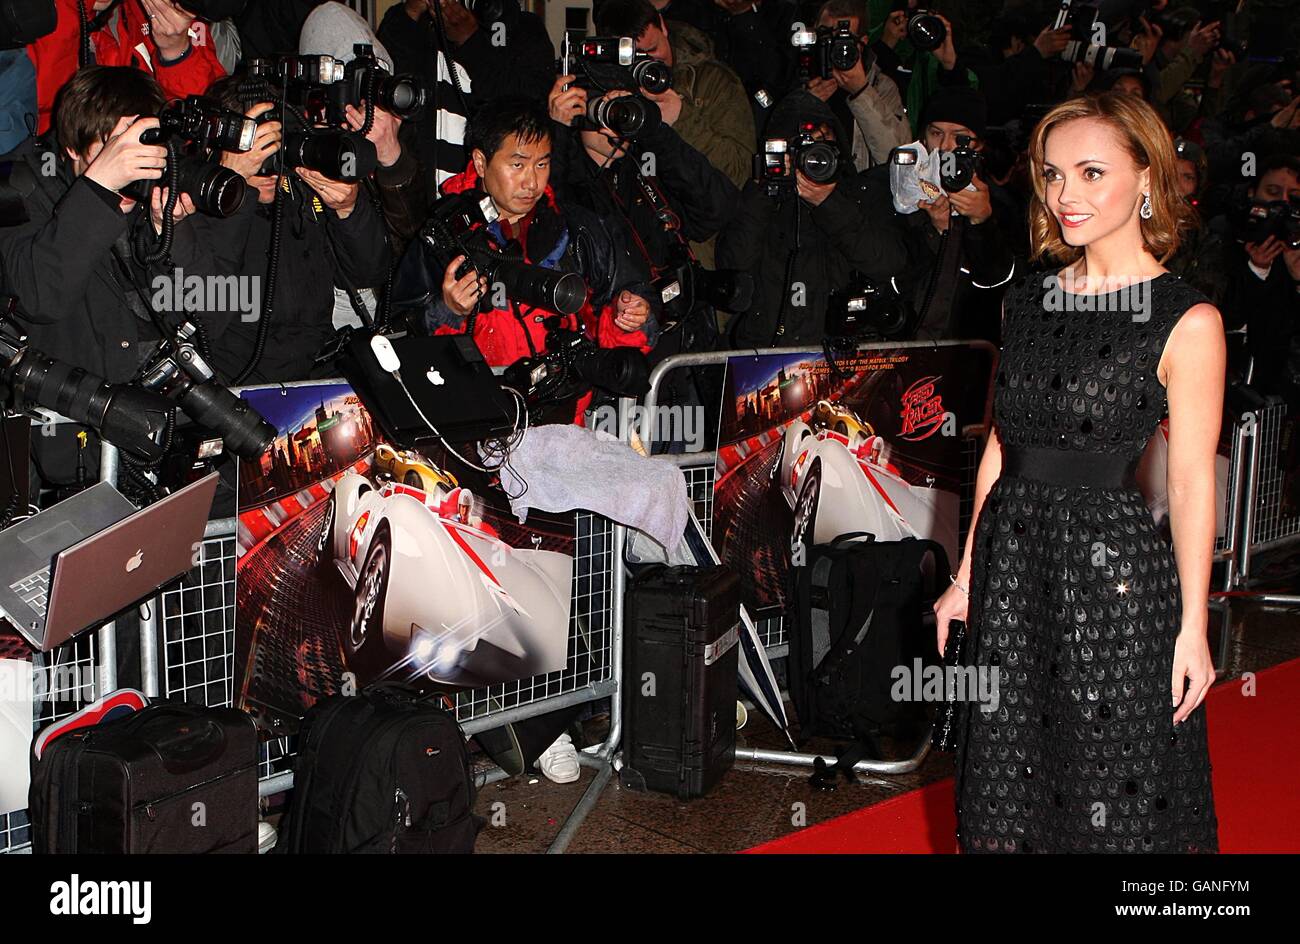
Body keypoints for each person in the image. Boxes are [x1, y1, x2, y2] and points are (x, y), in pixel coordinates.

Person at [933, 91, 1222, 854]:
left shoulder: (1186, 319)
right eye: (1053, 175)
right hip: (1014, 572)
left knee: (1110, 786)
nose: (1067, 196)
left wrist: (1194, 626)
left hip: (1114, 581)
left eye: (1092, 173)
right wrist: (966, 577)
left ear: (1148, 178)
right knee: (1004, 788)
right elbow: (1003, 441)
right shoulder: (1024, 303)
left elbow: (1192, 482)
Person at [0, 66, 238, 487]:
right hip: (79, 458)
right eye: (116, 151)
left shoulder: (157, 189)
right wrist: (100, 188)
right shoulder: (21, 190)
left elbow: (217, 317)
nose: (132, 168)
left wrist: (176, 234)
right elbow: (40, 296)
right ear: (74, 149)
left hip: (172, 440)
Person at [392, 96, 658, 420]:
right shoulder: (443, 235)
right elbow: (395, 342)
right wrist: (447, 311)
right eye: (517, 165)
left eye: (541, 164)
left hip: (566, 423)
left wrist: (628, 316)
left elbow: (632, 318)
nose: (531, 182)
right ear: (480, 162)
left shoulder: (576, 228)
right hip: (472, 427)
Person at [717, 88, 907, 347]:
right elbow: (732, 266)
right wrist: (763, 190)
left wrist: (828, 203)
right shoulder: (761, 200)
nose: (811, 155)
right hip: (767, 353)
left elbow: (886, 263)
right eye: (800, 145)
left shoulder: (859, 195)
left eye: (821, 143)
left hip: (841, 351)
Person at [864, 87, 1016, 343]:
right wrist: (933, 231)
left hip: (967, 351)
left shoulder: (999, 203)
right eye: (936, 133)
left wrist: (982, 222)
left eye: (960, 138)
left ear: (979, 145)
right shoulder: (899, 192)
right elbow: (886, 276)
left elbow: (998, 286)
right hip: (900, 342)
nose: (945, 147)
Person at [594, 0, 755, 188]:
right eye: (635, 59)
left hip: (697, 211)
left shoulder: (713, 81)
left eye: (653, 49)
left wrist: (682, 118)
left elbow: (741, 173)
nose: (649, 64)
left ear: (662, 26)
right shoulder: (601, 84)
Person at [28, 0, 227, 136]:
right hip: (48, 162)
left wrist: (175, 51)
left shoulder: (166, 10)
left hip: (145, 168)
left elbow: (211, 123)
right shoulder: (32, 13)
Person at [806, 0, 909, 172]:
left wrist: (861, 91)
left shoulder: (881, 86)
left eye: (844, 39)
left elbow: (898, 159)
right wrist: (804, 104)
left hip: (860, 192)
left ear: (862, 43)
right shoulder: (798, 78)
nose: (835, 47)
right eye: (827, 38)